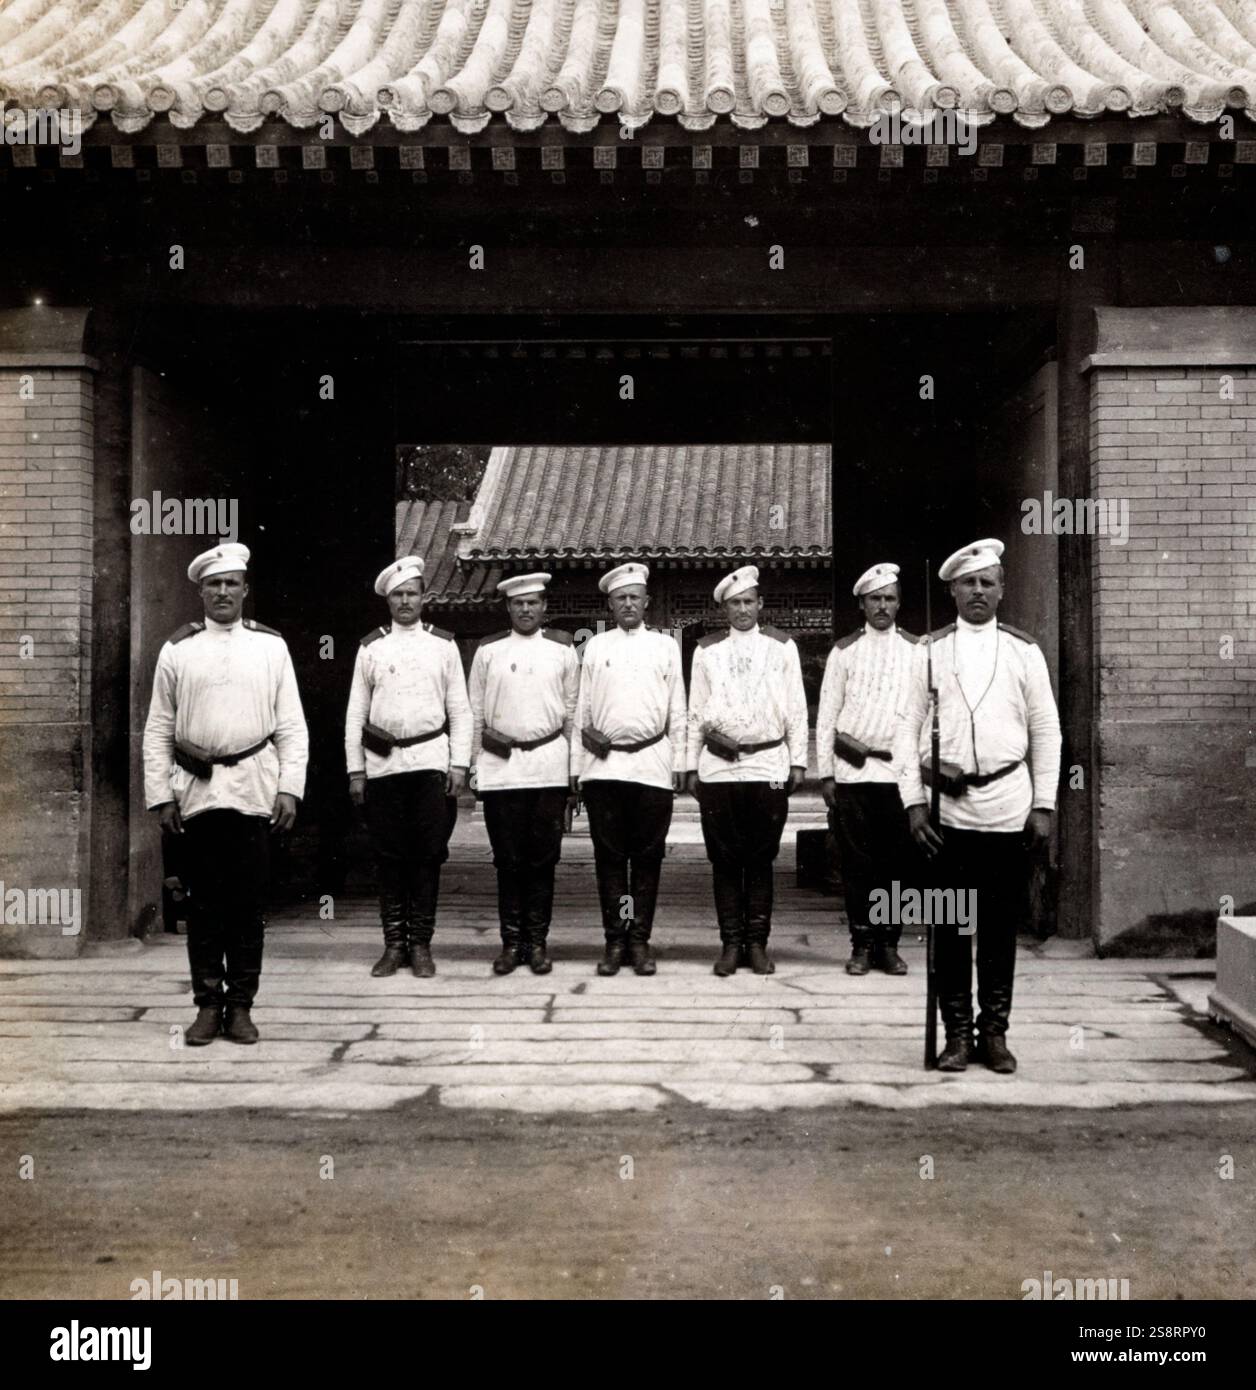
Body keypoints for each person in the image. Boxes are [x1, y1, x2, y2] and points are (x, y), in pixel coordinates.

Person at [893, 538, 1061, 1073]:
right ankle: (957, 1036)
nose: (979, 591)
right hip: (947, 816)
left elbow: (1047, 732)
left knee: (996, 928)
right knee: (949, 929)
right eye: (969, 583)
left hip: (1008, 806)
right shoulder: (929, 651)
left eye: (988, 582)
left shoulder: (1023, 652)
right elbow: (903, 731)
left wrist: (1045, 804)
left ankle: (994, 1034)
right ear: (952, 590)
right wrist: (914, 804)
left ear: (1002, 589)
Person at [142, 541, 308, 1046]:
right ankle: (207, 1006)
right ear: (200, 592)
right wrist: (161, 795)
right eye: (213, 584)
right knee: (205, 905)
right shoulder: (178, 650)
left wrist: (289, 789)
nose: (222, 591)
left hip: (254, 787)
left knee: (247, 904)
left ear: (244, 590)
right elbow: (158, 729)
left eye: (230, 583)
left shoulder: (270, 647)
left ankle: (241, 1007)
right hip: (197, 792)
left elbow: (292, 727)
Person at [345, 556, 471, 978]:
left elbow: (461, 710)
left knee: (427, 856)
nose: (405, 600)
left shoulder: (443, 645)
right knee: (389, 857)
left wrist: (459, 765)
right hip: (383, 767)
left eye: (412, 593)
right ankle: (393, 944)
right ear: (388, 600)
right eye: (397, 594)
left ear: (423, 597)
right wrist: (356, 771)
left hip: (430, 763)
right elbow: (355, 715)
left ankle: (420, 944)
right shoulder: (371, 648)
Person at [685, 565, 808, 976]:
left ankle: (757, 943)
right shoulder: (707, 650)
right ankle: (730, 943)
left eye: (749, 601)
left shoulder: (781, 646)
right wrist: (689, 765)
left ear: (761, 603)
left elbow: (796, 706)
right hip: (719, 768)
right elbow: (695, 713)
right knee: (724, 859)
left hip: (768, 764)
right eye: (734, 603)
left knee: (760, 858)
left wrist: (797, 760)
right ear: (724, 608)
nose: (742, 609)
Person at [571, 562, 686, 976]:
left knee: (648, 858)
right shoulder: (596, 648)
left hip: (652, 764)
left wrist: (681, 763)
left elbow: (679, 709)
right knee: (611, 859)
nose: (628, 604)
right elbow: (581, 711)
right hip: (605, 768)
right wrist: (576, 770)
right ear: (610, 603)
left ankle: (639, 939)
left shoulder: (665, 647)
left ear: (647, 602)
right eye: (620, 598)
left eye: (635, 597)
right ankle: (615, 939)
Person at [468, 573, 578, 975]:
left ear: (545, 606)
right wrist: (475, 764)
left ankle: (537, 942)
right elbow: (474, 711)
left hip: (548, 765)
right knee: (508, 859)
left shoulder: (563, 650)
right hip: (502, 768)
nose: (526, 609)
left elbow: (572, 713)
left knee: (543, 860)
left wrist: (573, 772)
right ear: (508, 608)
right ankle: (511, 942)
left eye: (533, 603)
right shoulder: (488, 651)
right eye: (518, 603)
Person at [816, 562, 918, 976]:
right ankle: (860, 943)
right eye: (874, 598)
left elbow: (924, 714)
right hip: (854, 773)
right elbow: (827, 717)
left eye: (889, 598)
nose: (882, 606)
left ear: (899, 603)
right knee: (858, 864)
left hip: (897, 774)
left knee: (895, 864)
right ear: (861, 603)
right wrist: (826, 774)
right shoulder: (844, 652)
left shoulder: (917, 650)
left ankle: (888, 943)